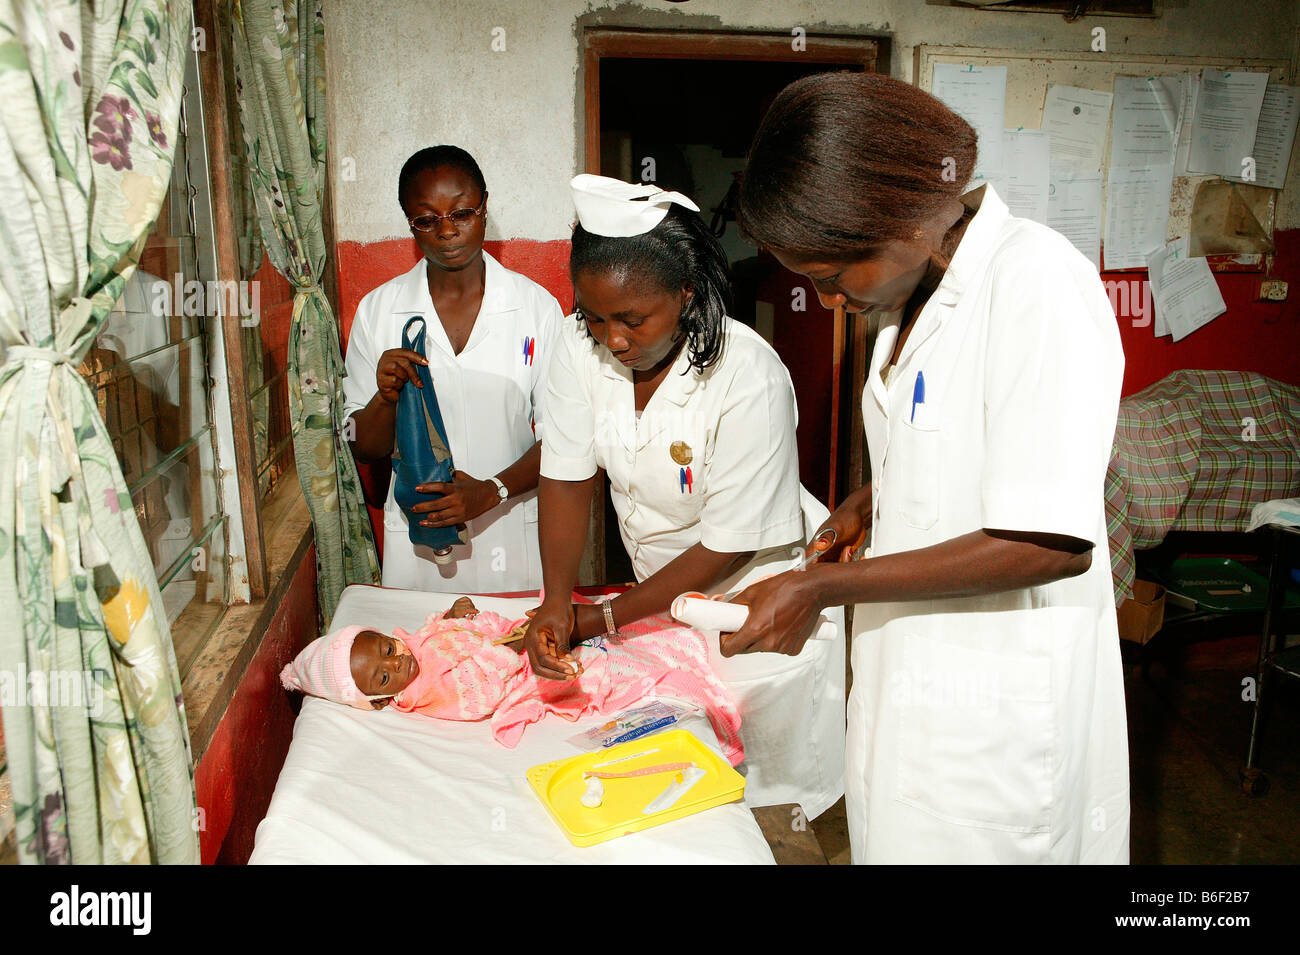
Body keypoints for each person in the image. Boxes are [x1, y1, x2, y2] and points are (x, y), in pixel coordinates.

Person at [731, 72, 1130, 863]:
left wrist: (821, 586)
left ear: (897, 221)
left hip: (997, 720)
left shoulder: (1035, 283)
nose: (833, 301)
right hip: (910, 690)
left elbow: (1049, 541)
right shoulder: (912, 299)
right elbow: (970, 442)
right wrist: (871, 502)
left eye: (833, 277)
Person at [523, 174, 845, 817]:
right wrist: (557, 601)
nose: (612, 339)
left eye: (632, 320)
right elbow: (564, 474)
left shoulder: (747, 375)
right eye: (594, 319)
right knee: (676, 791)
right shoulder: (573, 346)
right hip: (655, 599)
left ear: (687, 293)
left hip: (755, 601)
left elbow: (725, 546)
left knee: (767, 807)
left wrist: (606, 618)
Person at [343, 146, 563, 593]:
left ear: (485, 206)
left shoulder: (536, 308)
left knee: (511, 654)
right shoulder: (380, 311)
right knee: (420, 653)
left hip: (510, 526)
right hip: (420, 542)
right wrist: (386, 397)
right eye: (427, 219)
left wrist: (491, 491)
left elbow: (567, 437)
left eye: (462, 213)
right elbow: (365, 447)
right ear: (409, 222)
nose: (447, 231)